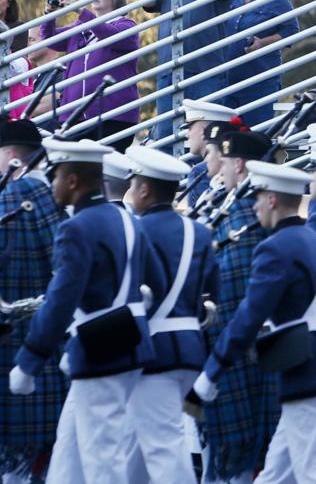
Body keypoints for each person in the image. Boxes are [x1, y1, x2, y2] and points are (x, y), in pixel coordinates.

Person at [191, 161, 316, 484]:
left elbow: (248, 316)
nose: (253, 205)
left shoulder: (275, 247)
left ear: (271, 200)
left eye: (258, 197)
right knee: (275, 475)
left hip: (306, 370)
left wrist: (213, 371)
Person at [9, 137, 156, 484]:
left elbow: (61, 299)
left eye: (55, 176)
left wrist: (30, 358)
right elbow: (152, 282)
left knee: (100, 456)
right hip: (129, 341)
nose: (52, 184)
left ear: (72, 180)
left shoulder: (77, 227)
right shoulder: (126, 218)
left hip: (99, 349)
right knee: (69, 452)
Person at [0, 120, 69, 482]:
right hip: (18, 332)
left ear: (11, 156)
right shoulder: (29, 196)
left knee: (20, 449)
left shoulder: (25, 195)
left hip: (16, 331)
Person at [125, 145, 219, 484]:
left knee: (164, 447)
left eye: (133, 183)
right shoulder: (200, 232)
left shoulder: (135, 231)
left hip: (153, 350)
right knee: (134, 448)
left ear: (145, 189)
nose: (129, 191)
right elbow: (212, 293)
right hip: (191, 347)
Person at [199, 129, 280, 484]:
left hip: (240, 347)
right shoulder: (233, 206)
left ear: (242, 166)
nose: (221, 170)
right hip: (229, 342)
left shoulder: (248, 215)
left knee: (241, 457)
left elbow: (236, 288)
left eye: (228, 162)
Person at [139, 0, 235, 143]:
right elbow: (145, 1)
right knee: (166, 138)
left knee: (208, 138)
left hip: (207, 71)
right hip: (170, 71)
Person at [41, 0, 141, 150]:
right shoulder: (81, 27)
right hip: (75, 116)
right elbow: (50, 40)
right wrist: (50, 15)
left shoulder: (127, 26)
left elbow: (106, 33)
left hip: (113, 117)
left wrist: (80, 11)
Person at [224, 0, 300, 125]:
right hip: (225, 82)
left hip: (259, 83)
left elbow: (291, 31)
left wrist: (263, 43)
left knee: (254, 137)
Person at [175, 99, 238, 213]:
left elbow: (197, 222)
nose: (187, 134)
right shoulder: (236, 164)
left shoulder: (199, 171)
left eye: (190, 128)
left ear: (204, 131)